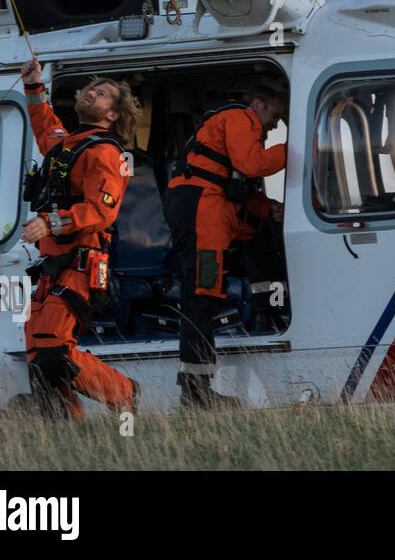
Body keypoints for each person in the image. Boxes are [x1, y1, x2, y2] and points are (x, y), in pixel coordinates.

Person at [19, 57, 142, 419]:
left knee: (55, 349)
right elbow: (46, 129)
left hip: (82, 261)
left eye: (101, 93)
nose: (91, 93)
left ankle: (125, 394)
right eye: (90, 89)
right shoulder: (68, 145)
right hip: (51, 265)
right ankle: (64, 430)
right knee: (38, 355)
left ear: (113, 114)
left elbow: (103, 210)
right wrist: (33, 86)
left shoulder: (106, 152)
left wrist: (52, 222)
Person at [165, 87, 286, 409]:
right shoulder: (239, 118)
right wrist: (295, 149)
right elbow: (251, 165)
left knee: (202, 297)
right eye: (274, 116)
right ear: (258, 103)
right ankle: (196, 393)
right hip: (201, 215)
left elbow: (235, 186)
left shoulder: (229, 131)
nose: (273, 126)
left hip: (202, 211)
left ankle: (196, 389)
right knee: (202, 297)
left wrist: (266, 207)